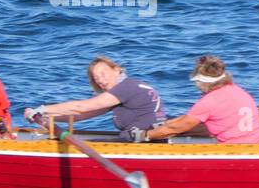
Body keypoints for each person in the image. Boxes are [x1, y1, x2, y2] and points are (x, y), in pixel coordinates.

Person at [25, 56, 167, 141]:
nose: (101, 80)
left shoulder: (127, 86)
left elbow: (80, 107)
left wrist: (42, 109)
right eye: (96, 79)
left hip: (146, 142)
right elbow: (79, 115)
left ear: (117, 70)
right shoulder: (120, 92)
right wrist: (45, 116)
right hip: (144, 140)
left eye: (103, 74)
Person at [139, 55, 259, 144]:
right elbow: (191, 117)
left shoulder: (209, 101)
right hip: (258, 144)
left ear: (200, 82)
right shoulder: (238, 91)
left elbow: (177, 128)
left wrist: (144, 135)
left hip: (235, 151)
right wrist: (165, 123)